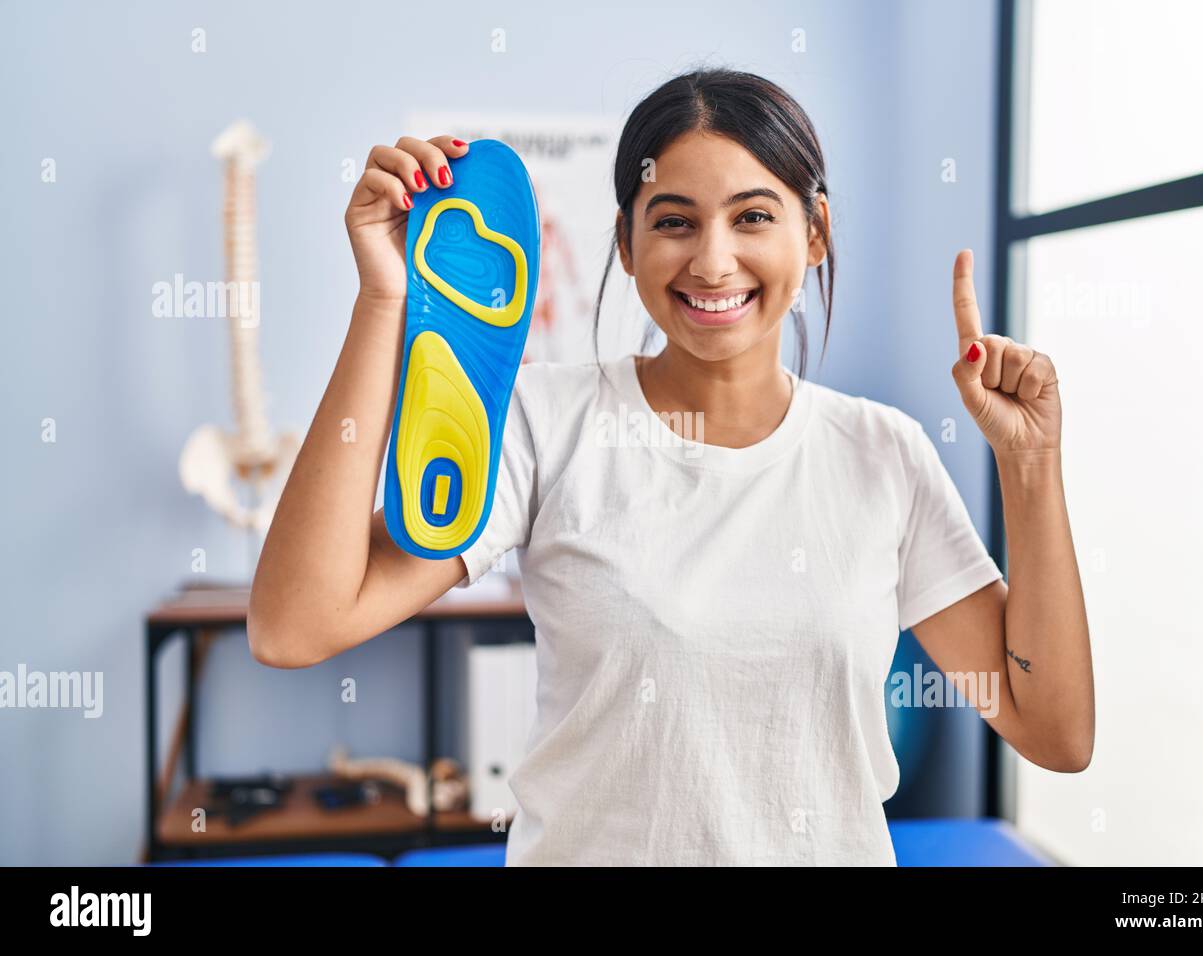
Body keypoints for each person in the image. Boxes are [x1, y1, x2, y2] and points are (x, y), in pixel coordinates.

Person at [248, 68, 1094, 866]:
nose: (713, 261)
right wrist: (383, 302)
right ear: (625, 242)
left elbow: (1055, 732)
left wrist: (1032, 466)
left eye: (754, 216)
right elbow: (295, 626)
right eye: (674, 220)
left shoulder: (884, 454)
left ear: (818, 232)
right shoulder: (549, 423)